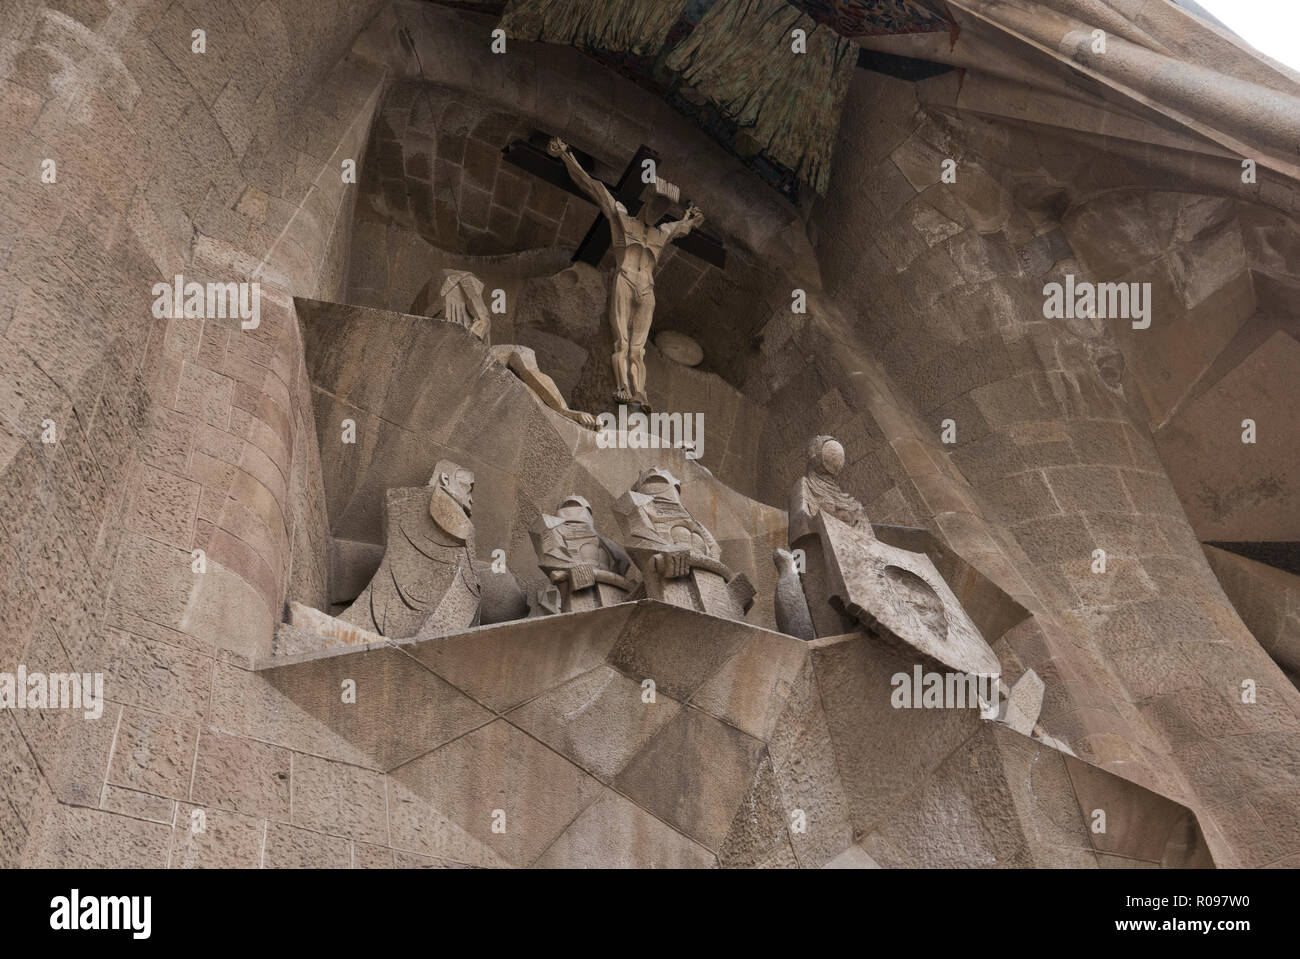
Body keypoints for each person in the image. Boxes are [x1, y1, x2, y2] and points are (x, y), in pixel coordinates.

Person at [549, 136, 704, 410]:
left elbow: (685, 226)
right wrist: (566, 156)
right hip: (625, 279)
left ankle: (640, 393)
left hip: (647, 289)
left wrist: (692, 218)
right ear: (647, 203)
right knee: (621, 342)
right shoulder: (622, 218)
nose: (656, 213)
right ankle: (622, 386)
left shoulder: (663, 232)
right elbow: (592, 186)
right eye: (655, 206)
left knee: (638, 350)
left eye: (662, 211)